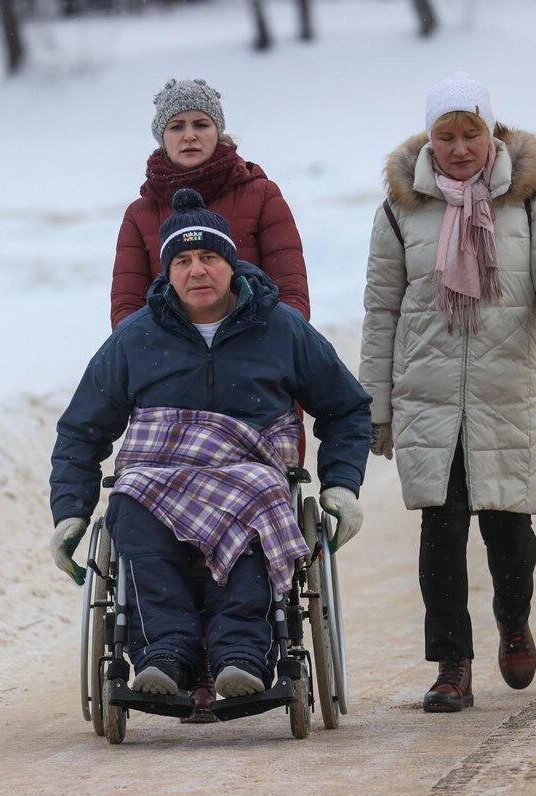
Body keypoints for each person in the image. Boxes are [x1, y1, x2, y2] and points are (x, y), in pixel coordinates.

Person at [51, 189, 371, 703]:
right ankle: (165, 654)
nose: (196, 271)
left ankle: (240, 656)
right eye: (183, 260)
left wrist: (341, 485)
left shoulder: (280, 328)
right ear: (168, 271)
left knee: (259, 498)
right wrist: (69, 512)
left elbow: (347, 406)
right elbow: (81, 431)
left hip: (251, 469)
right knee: (128, 506)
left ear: (231, 263)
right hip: (158, 472)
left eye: (208, 257)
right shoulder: (136, 338)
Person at [358, 72, 536, 712]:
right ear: (429, 139)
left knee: (510, 533)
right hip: (427, 397)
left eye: (471, 134)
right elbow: (381, 312)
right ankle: (452, 663)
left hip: (506, 389)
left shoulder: (529, 201)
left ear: (492, 132)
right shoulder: (400, 212)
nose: (459, 148)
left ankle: (513, 620)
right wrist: (376, 406)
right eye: (446, 136)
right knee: (442, 533)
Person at [110, 78, 309, 330]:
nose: (189, 136)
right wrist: (156, 356)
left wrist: (271, 347)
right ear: (162, 136)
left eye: (201, 124)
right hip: (171, 361)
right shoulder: (140, 215)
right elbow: (127, 308)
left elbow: (292, 291)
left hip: (257, 354)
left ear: (218, 131)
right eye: (176, 126)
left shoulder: (262, 195)